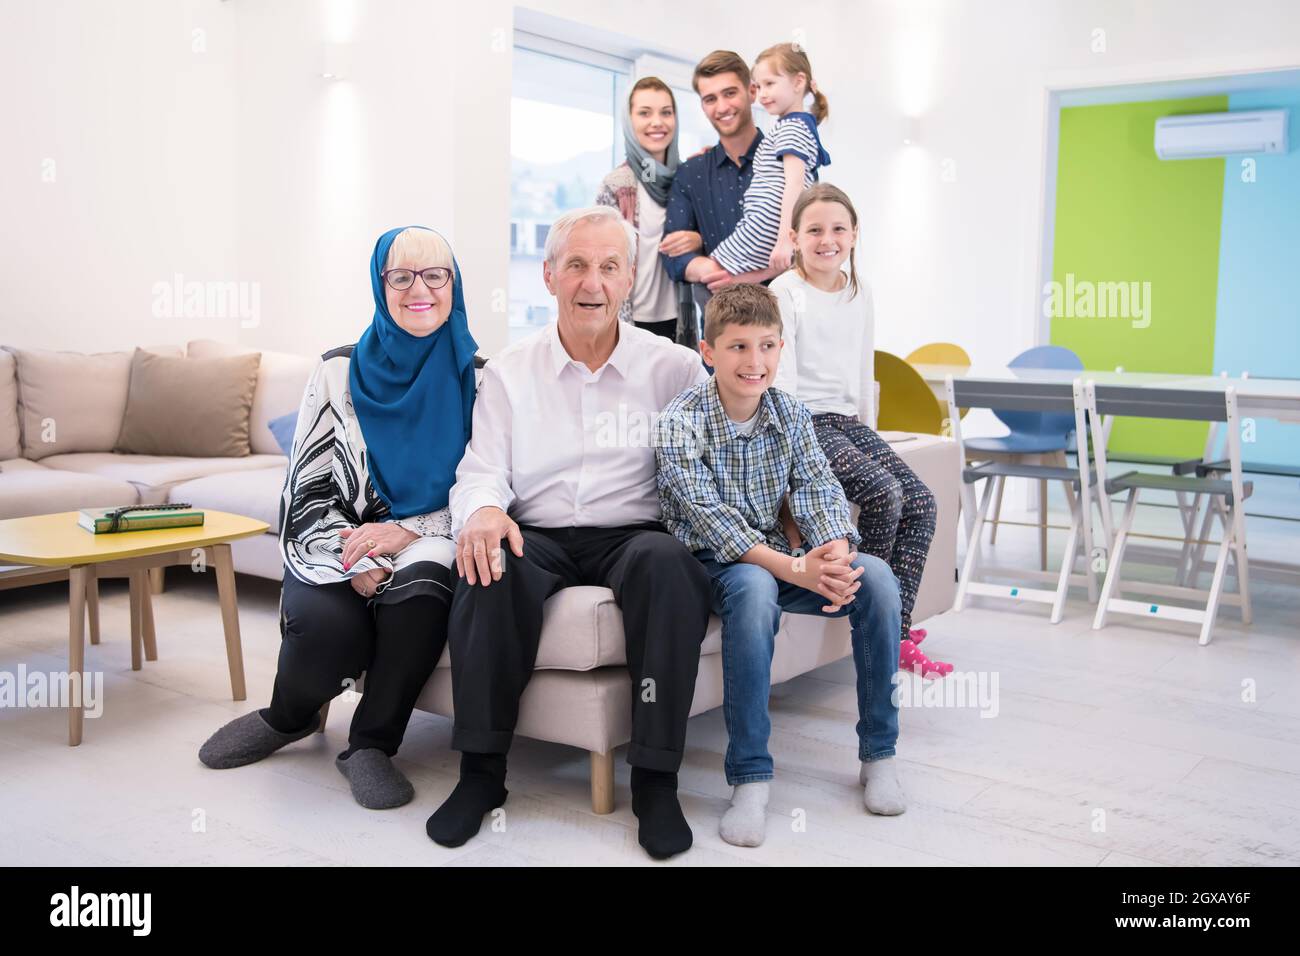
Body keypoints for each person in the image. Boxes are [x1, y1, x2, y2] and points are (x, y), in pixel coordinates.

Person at [425, 205, 713, 860]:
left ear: (630, 280)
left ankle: (656, 782)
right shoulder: (509, 372)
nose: (593, 283)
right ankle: (480, 775)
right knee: (485, 563)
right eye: (577, 265)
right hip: (540, 529)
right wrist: (485, 512)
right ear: (549, 276)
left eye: (609, 267)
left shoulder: (671, 369)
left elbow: (718, 447)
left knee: (669, 566)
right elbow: (481, 471)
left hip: (633, 531)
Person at [198, 226, 479, 810]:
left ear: (454, 285)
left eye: (435, 275)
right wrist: (356, 552)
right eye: (399, 276)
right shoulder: (336, 371)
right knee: (329, 627)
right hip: (340, 541)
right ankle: (288, 717)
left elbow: (489, 486)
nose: (418, 289)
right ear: (381, 286)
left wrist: (408, 533)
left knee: (423, 590)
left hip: (432, 536)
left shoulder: (478, 376)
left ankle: (369, 746)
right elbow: (305, 488)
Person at [655, 283, 905, 849]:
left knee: (879, 581)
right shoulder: (680, 420)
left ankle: (880, 754)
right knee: (752, 591)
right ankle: (750, 777)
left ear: (781, 348)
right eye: (739, 347)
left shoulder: (790, 413)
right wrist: (795, 571)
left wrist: (836, 555)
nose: (755, 361)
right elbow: (712, 521)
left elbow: (819, 488)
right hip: (715, 565)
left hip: (786, 559)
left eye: (767, 346)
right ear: (708, 351)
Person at [772, 184, 951, 678]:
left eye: (837, 229)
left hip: (847, 422)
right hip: (804, 421)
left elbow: (860, 371)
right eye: (814, 230)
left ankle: (896, 630)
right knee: (882, 494)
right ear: (795, 237)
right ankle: (868, 618)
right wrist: (792, 453)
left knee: (920, 500)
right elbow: (779, 381)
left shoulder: (859, 289)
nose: (826, 240)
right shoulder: (785, 292)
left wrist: (871, 437)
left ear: (854, 236)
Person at [694, 43, 831, 283]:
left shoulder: (791, 127)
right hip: (765, 225)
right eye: (758, 86)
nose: (762, 94)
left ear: (798, 82)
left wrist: (785, 239)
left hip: (765, 226)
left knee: (712, 274)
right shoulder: (795, 125)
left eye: (770, 84)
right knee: (724, 279)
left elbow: (795, 184)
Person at [660, 50, 777, 328]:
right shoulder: (691, 174)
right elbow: (671, 254)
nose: (722, 107)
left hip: (787, 324)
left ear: (752, 91)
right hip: (722, 334)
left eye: (729, 93)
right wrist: (710, 269)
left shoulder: (786, 161)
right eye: (710, 99)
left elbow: (807, 238)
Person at [595, 76, 686, 341]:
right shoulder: (615, 185)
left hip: (680, 321)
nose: (657, 122)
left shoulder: (688, 178)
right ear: (629, 120)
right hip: (629, 321)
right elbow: (600, 260)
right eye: (645, 113)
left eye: (666, 113)